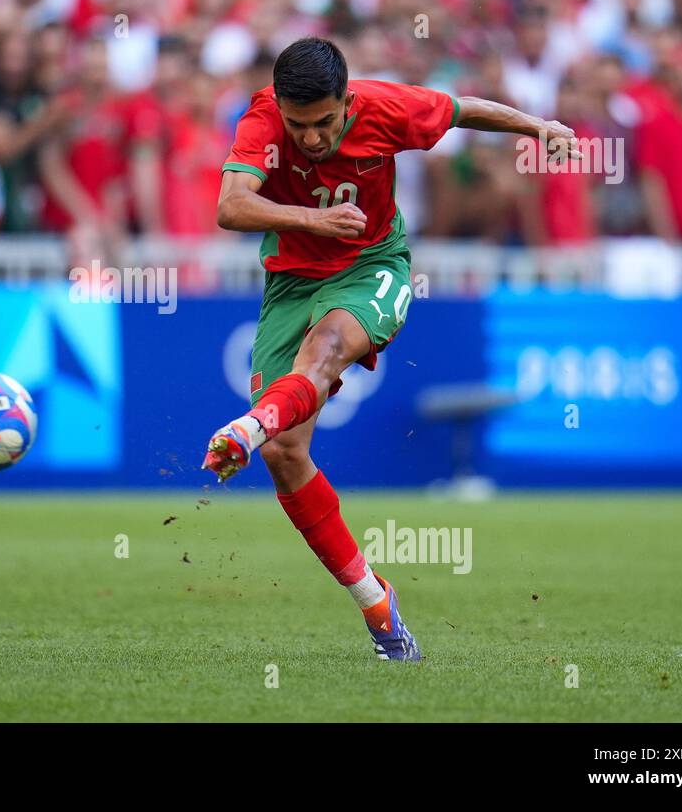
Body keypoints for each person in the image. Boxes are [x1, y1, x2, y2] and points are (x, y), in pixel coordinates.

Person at [202, 37, 577, 661]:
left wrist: (538, 126)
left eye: (325, 122)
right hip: (293, 279)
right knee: (287, 455)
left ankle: (252, 424)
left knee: (322, 354)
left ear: (346, 101)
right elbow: (230, 205)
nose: (313, 138)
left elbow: (463, 109)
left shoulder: (385, 107)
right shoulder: (263, 118)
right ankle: (377, 603)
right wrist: (313, 221)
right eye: (301, 126)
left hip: (372, 266)